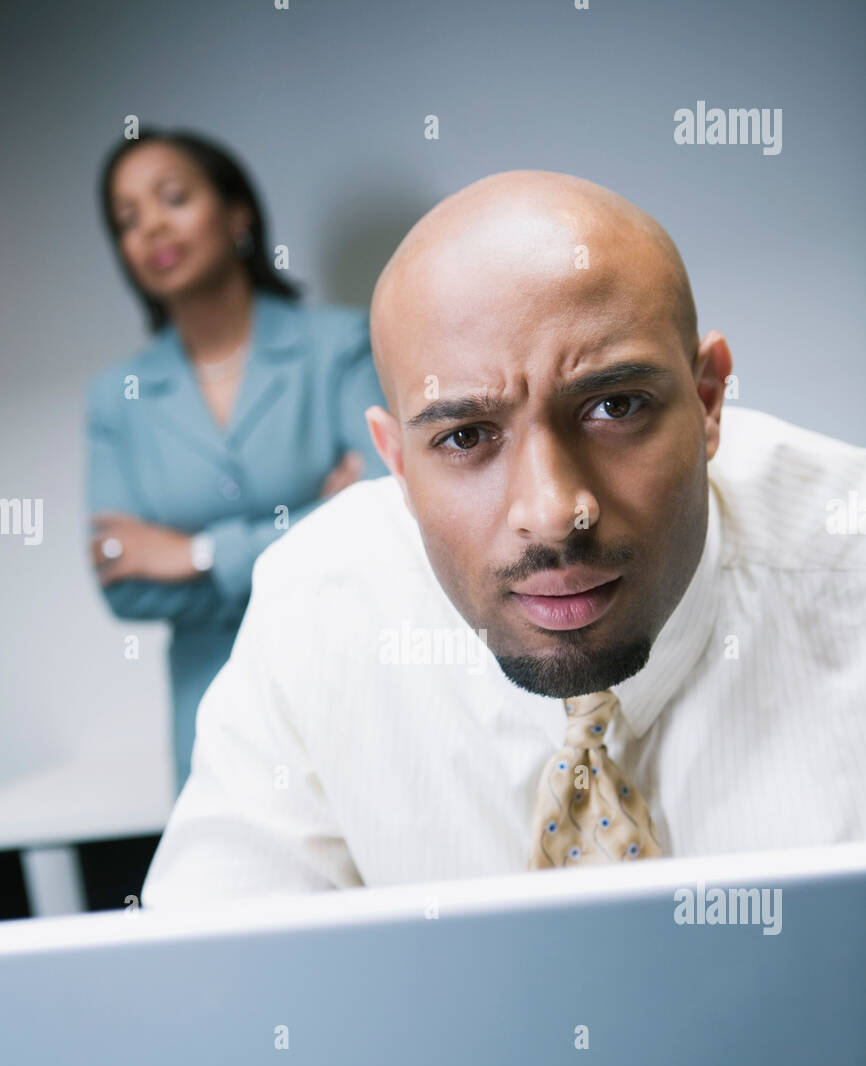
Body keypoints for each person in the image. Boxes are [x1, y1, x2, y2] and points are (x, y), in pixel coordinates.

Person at [141, 170, 866, 906]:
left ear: (709, 400)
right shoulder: (315, 609)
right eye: (465, 437)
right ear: (395, 462)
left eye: (615, 406)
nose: (554, 514)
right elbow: (211, 974)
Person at [87, 129, 387, 788]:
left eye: (173, 198)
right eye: (127, 219)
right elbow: (124, 581)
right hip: (212, 716)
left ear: (237, 214)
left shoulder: (338, 345)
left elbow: (382, 519)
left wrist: (191, 556)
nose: (152, 227)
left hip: (355, 685)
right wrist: (317, 520)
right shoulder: (118, 398)